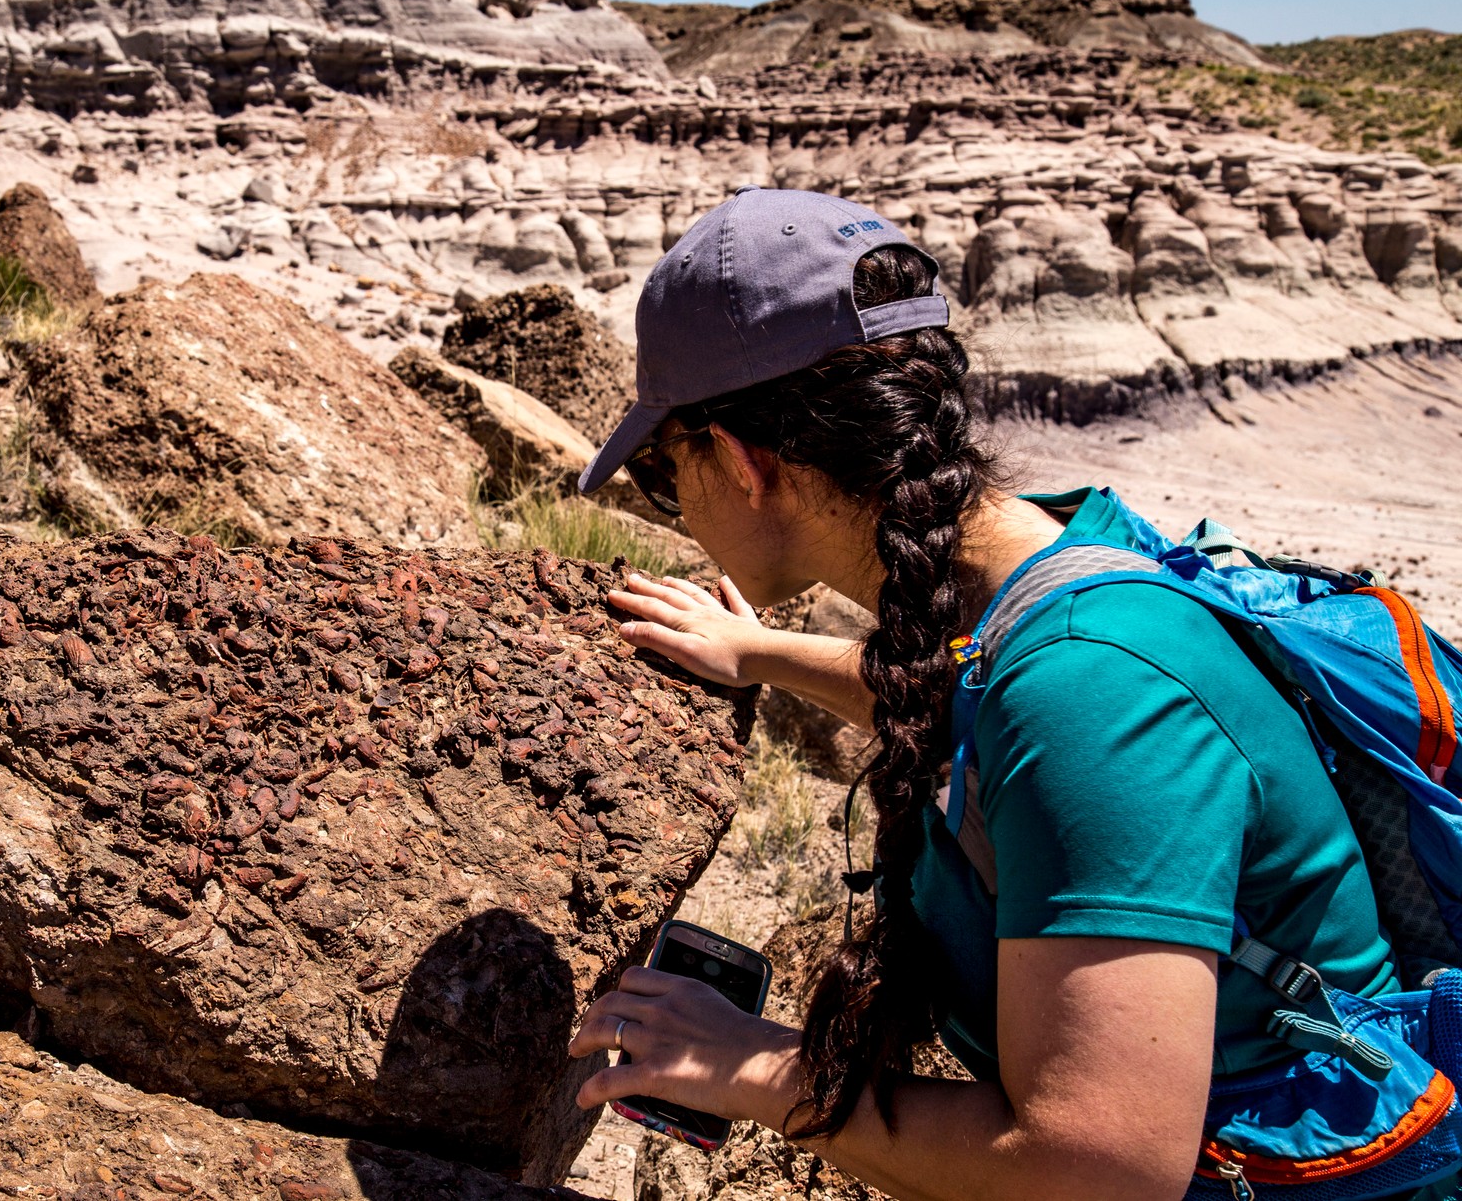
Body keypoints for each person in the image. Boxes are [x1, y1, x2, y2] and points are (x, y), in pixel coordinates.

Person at [562, 188, 1449, 1200]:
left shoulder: (1093, 686)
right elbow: (970, 702)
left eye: (661, 478)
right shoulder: (1053, 555)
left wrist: (748, 1067)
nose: (671, 510)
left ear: (740, 460)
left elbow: (1095, 1166)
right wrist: (761, 652)